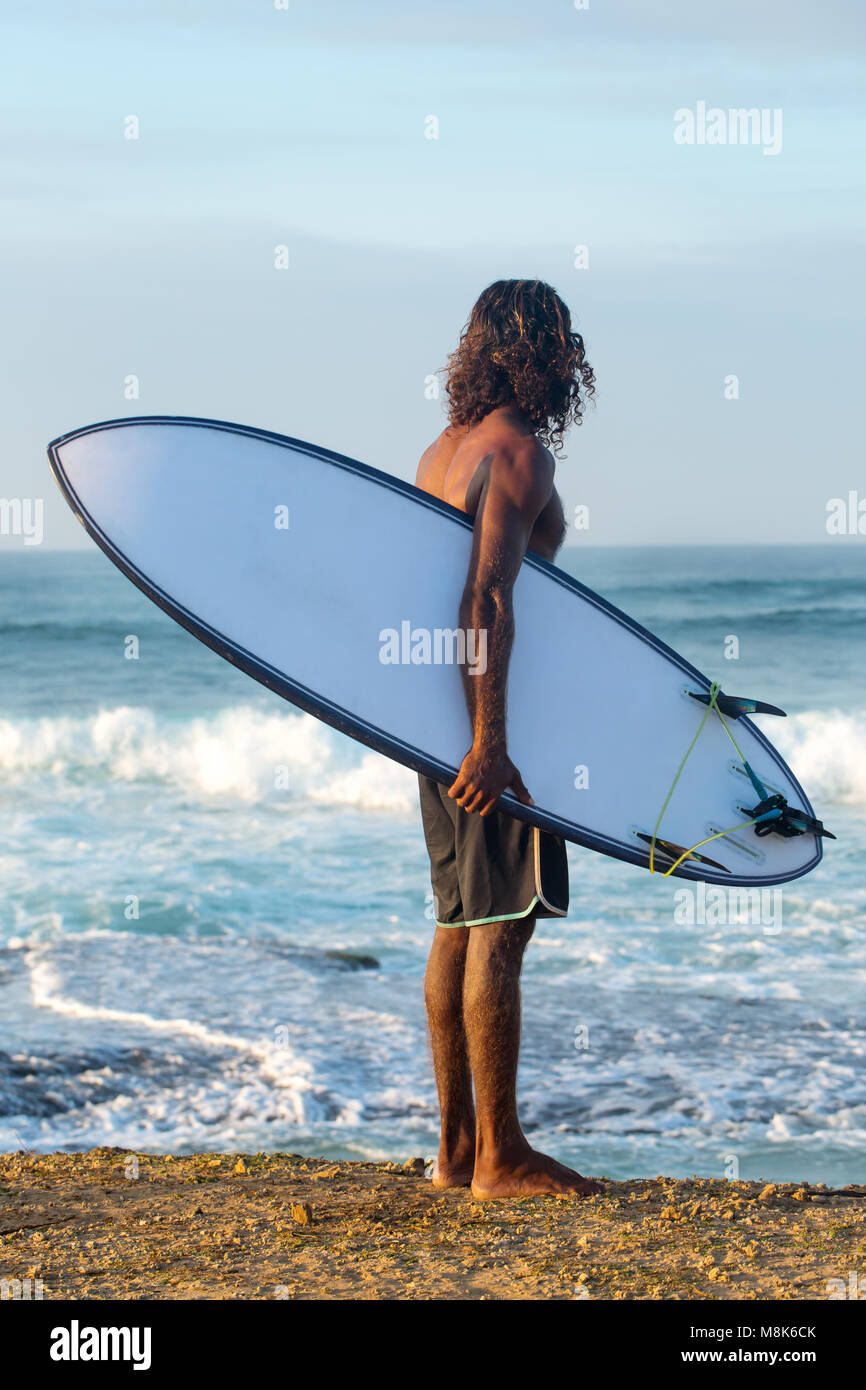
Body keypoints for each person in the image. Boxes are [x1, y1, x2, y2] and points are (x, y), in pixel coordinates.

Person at [415, 279, 604, 1199]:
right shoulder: (519, 456)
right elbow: (484, 597)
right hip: (492, 732)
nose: (573, 356)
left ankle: (455, 1152)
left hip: (433, 727)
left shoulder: (442, 450)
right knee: (500, 924)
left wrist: (447, 735)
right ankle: (501, 1156)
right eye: (563, 340)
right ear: (538, 351)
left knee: (458, 921)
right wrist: (491, 742)